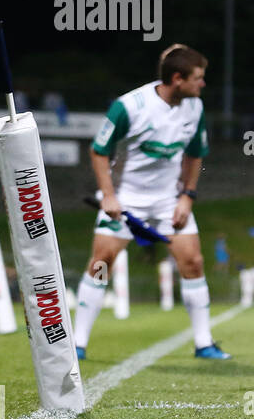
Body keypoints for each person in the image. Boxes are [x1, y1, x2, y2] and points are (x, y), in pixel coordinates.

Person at [73, 44, 229, 360]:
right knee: (102, 264)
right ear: (177, 79)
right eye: (198, 78)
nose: (203, 84)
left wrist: (187, 196)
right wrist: (110, 196)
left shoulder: (194, 107)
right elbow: (99, 150)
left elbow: (196, 154)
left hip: (169, 202)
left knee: (193, 263)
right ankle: (77, 344)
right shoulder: (128, 107)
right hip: (125, 200)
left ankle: (204, 343)